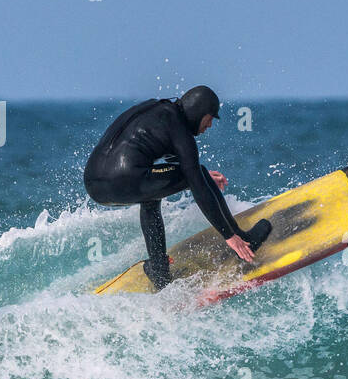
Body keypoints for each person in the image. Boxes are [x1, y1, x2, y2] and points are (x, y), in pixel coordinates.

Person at [84, 86, 259, 290]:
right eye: (210, 118)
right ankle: (241, 238)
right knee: (197, 174)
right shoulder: (179, 128)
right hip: (126, 179)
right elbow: (195, 180)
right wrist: (229, 237)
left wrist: (195, 174)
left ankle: (159, 268)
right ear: (198, 113)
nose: (210, 125)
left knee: (153, 192)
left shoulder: (154, 110)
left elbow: (162, 150)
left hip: (94, 183)